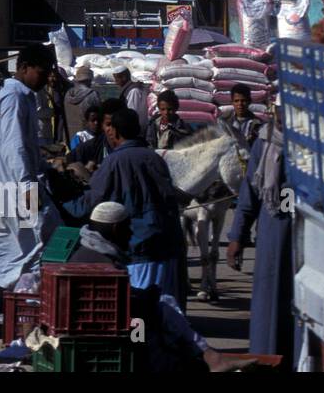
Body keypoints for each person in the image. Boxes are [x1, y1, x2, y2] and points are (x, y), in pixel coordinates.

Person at [68, 201, 234, 372]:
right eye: (127, 227)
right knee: (159, 318)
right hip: (112, 331)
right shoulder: (105, 264)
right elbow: (120, 309)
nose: (131, 233)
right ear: (117, 229)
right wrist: (149, 300)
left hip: (105, 324)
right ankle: (203, 356)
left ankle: (205, 355)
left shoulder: (86, 252)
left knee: (163, 307)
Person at [0, 44, 57, 339]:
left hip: (6, 185)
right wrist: (28, 186)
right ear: (24, 68)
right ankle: (15, 319)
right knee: (30, 249)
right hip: (12, 188)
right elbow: (15, 147)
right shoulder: (14, 98)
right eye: (41, 73)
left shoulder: (20, 98)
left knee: (5, 252)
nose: (45, 80)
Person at [60, 106, 185, 299]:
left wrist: (61, 200)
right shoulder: (155, 158)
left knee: (142, 315)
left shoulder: (115, 162)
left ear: (115, 131)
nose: (107, 131)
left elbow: (89, 202)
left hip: (141, 249)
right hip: (168, 248)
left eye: (110, 126)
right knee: (166, 313)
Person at [226, 100, 298, 363]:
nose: (282, 117)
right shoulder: (265, 141)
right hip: (270, 235)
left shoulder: (309, 145)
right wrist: (237, 237)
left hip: (300, 238)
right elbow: (251, 193)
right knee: (269, 304)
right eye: (279, 111)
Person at [66, 96, 123, 166]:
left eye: (118, 123)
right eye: (109, 124)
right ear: (102, 124)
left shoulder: (136, 148)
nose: (114, 129)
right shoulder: (91, 144)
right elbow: (67, 159)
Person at [219, 84, 262, 152]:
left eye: (243, 101)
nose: (240, 104)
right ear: (232, 102)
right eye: (236, 101)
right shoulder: (226, 122)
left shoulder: (257, 125)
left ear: (249, 101)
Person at [63, 64, 101, 140]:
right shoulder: (92, 95)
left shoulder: (67, 95)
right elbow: (99, 116)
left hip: (70, 138)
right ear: (89, 80)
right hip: (87, 138)